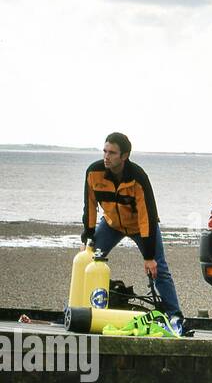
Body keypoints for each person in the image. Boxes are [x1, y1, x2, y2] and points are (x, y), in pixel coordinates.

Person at [81, 132, 193, 336]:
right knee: (88, 260)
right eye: (105, 151)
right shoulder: (93, 172)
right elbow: (89, 207)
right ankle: (80, 306)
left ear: (124, 156)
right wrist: (88, 236)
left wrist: (149, 257)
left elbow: (147, 217)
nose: (106, 156)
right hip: (111, 224)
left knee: (160, 269)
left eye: (112, 153)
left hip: (141, 227)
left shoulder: (138, 177)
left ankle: (175, 315)